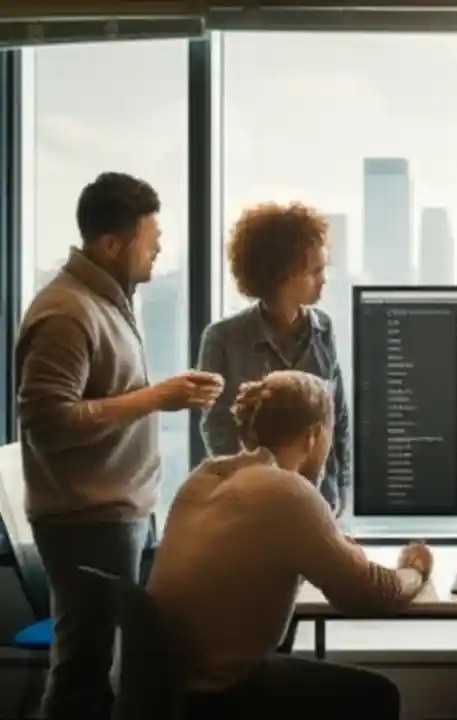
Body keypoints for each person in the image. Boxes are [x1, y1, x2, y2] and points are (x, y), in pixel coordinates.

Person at [15, 172, 224, 720]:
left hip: (110, 517)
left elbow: (106, 396)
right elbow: (47, 423)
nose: (158, 251)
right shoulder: (67, 312)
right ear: (111, 244)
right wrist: (156, 398)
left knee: (96, 671)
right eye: (149, 240)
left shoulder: (104, 301)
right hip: (86, 521)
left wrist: (161, 395)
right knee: (84, 676)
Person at [148, 370, 432, 720]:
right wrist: (415, 569)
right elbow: (370, 593)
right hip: (219, 692)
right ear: (313, 436)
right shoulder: (284, 491)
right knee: (377, 695)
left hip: (164, 686)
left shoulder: (205, 477)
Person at [199, 202, 350, 513]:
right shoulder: (223, 339)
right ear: (285, 275)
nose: (323, 279)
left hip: (320, 502)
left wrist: (339, 493)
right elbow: (218, 430)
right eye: (315, 270)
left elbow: (339, 417)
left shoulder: (323, 329)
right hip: (254, 505)